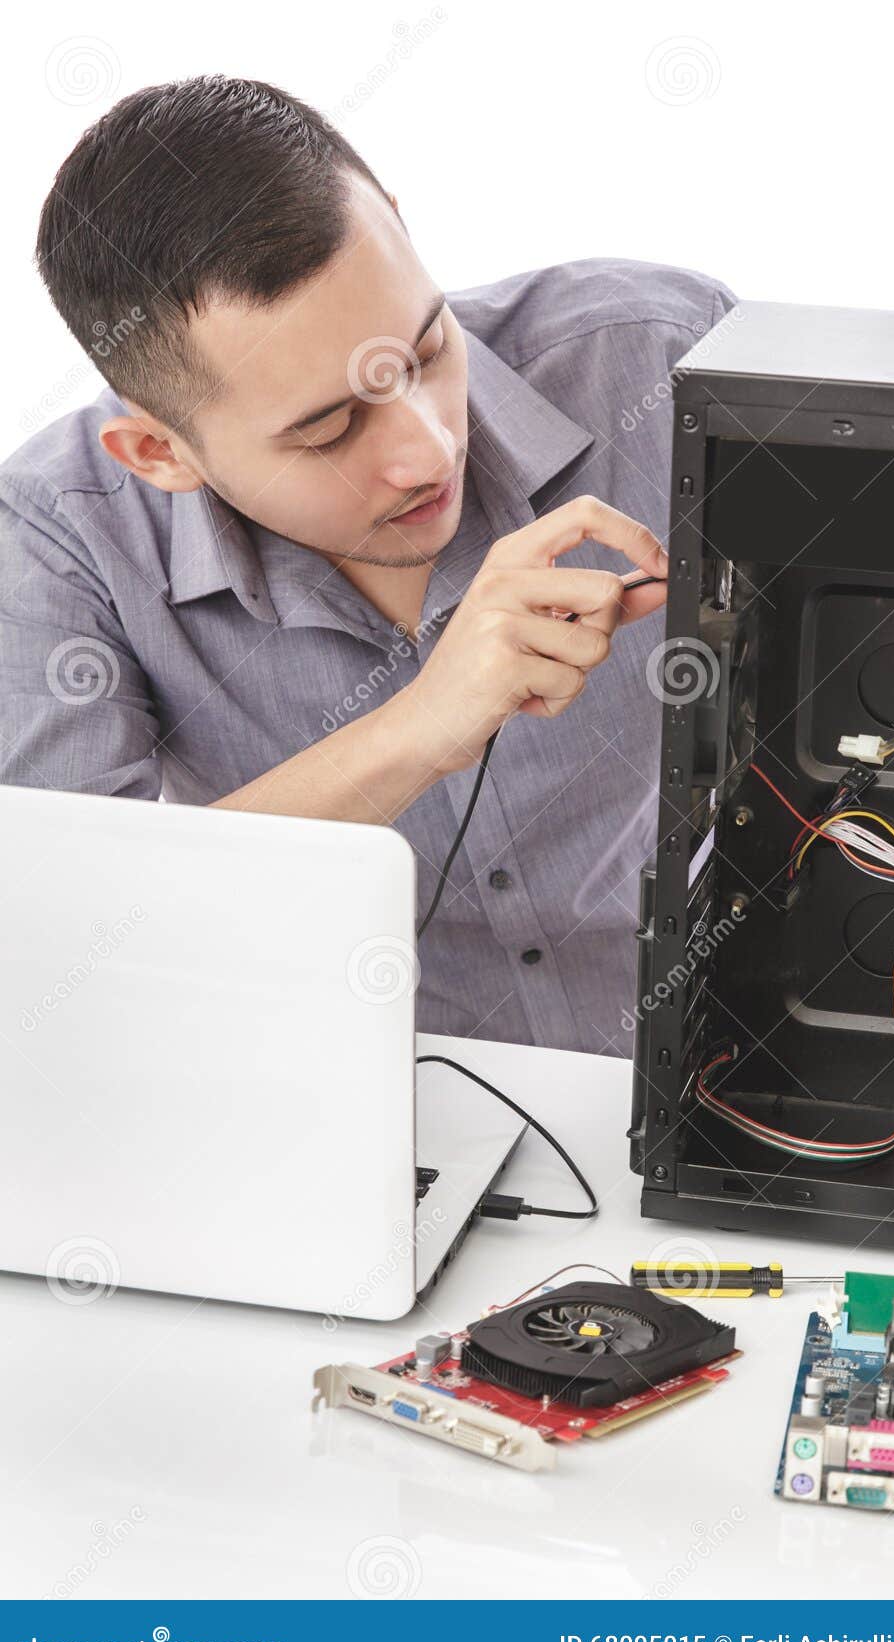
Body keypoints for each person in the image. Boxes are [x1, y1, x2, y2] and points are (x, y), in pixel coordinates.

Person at [0, 74, 734, 1055]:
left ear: (396, 223)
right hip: (368, 1103)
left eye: (424, 352)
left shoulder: (668, 355)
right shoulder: (56, 536)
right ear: (159, 454)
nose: (428, 450)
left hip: (744, 1069)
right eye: (327, 429)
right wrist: (417, 729)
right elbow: (69, 952)